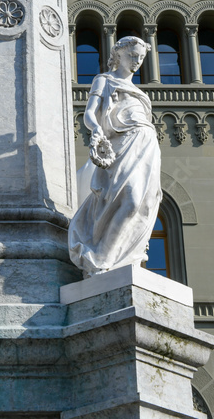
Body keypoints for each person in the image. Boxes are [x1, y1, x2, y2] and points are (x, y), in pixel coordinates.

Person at [68, 36, 162, 277]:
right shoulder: (104, 80)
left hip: (147, 145)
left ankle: (120, 258)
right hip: (121, 145)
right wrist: (96, 129)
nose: (137, 61)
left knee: (145, 203)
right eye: (133, 56)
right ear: (119, 54)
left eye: (141, 57)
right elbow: (90, 113)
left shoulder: (141, 94)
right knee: (129, 200)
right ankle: (99, 260)